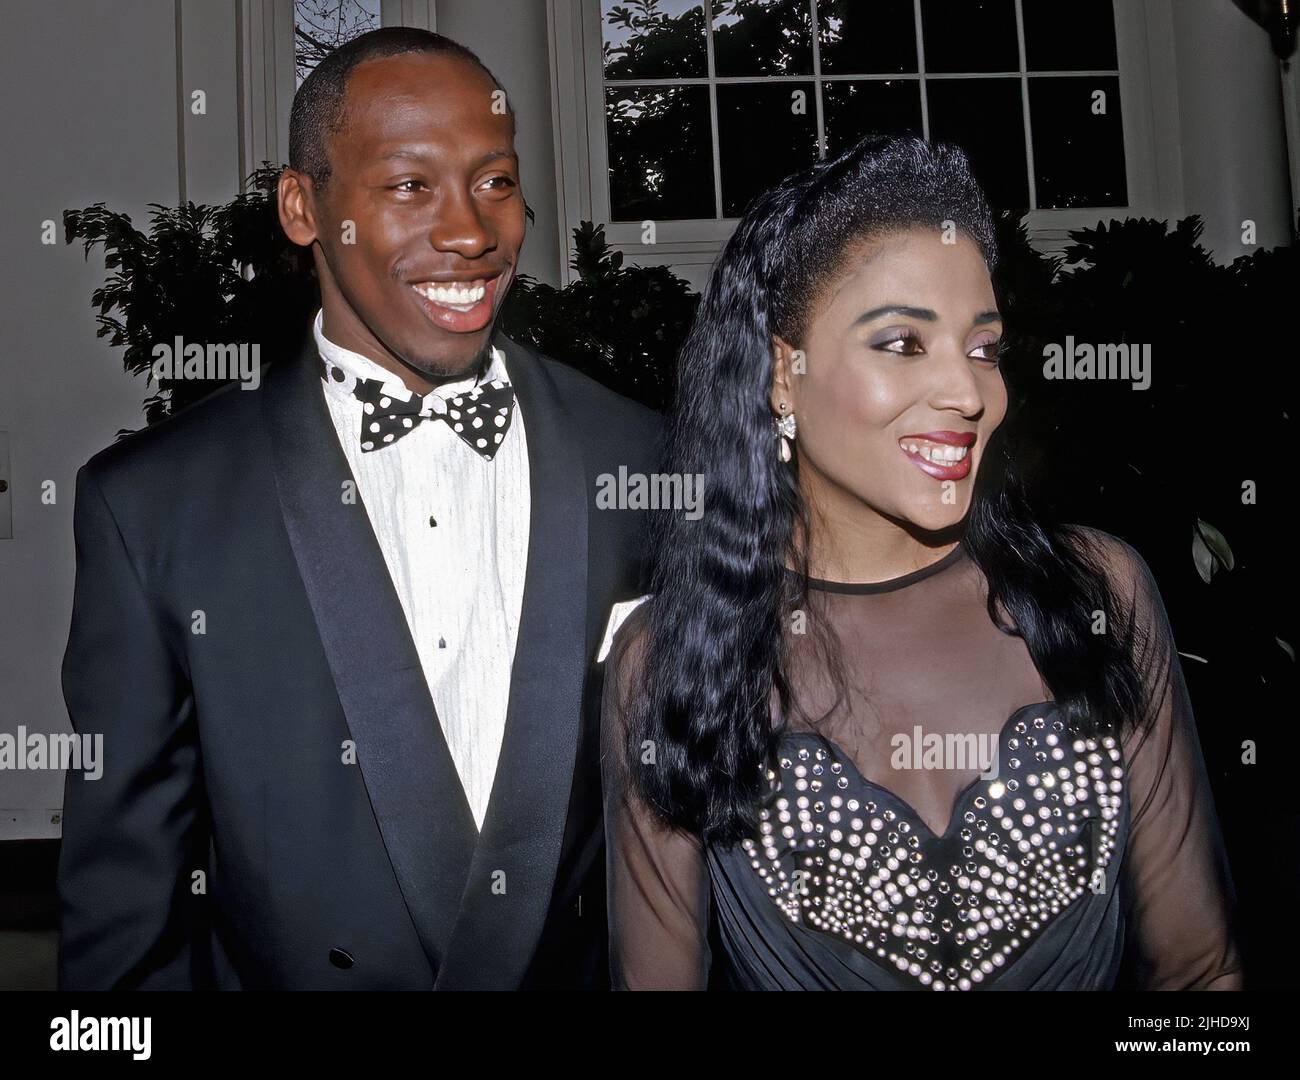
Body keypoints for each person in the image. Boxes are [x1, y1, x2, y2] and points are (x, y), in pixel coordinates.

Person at [57, 27, 659, 989]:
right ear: (304, 208)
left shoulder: (642, 461)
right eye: (410, 185)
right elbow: (126, 920)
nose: (471, 231)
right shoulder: (153, 507)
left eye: (495, 181)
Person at [601, 134, 1242, 990]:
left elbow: (1201, 971)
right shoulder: (671, 658)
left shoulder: (1096, 594)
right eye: (902, 343)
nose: (970, 394)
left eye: (982, 347)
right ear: (781, 376)